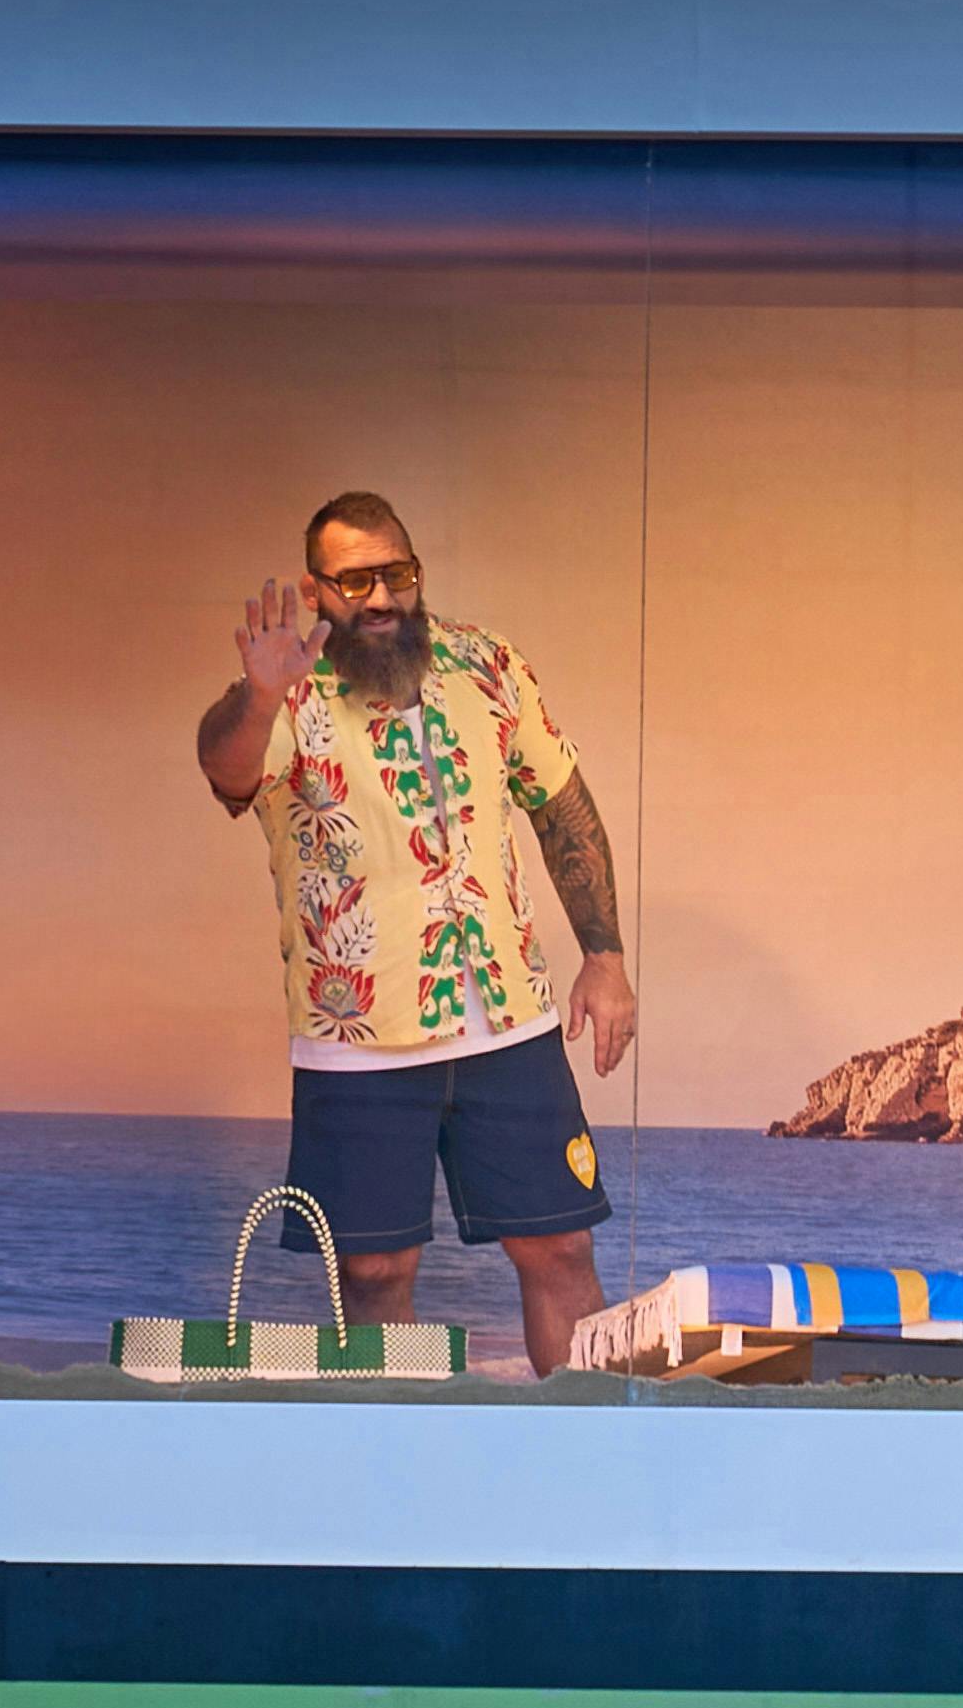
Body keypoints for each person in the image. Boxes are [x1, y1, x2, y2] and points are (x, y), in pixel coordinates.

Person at [195, 492, 637, 1370]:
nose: (383, 597)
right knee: (373, 1268)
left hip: (508, 1019)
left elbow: (563, 807)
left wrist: (605, 957)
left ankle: (589, 1472)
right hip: (355, 1038)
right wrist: (258, 695)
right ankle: (401, 1481)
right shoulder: (285, 692)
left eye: (398, 572)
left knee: (560, 1249)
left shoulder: (488, 664)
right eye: (356, 580)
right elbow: (226, 769)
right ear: (319, 591)